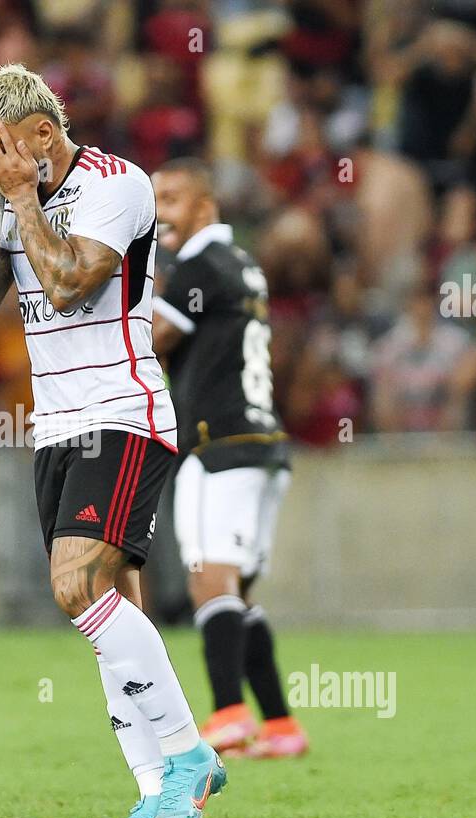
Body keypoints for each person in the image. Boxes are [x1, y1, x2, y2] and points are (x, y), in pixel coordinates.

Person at [0, 64, 224, 818]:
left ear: (42, 132)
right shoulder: (9, 195)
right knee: (113, 612)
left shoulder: (119, 183)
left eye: (0, 151)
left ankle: (189, 757)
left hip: (124, 415)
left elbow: (69, 283)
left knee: (75, 586)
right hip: (56, 428)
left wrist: (24, 198)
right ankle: (158, 800)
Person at [150, 158, 308, 760]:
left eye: (174, 199)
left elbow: (155, 339)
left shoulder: (199, 264)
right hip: (265, 445)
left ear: (206, 207)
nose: (162, 211)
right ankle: (280, 725)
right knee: (235, 590)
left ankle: (228, 714)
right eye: (156, 199)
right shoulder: (241, 262)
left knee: (207, 578)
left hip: (220, 444)